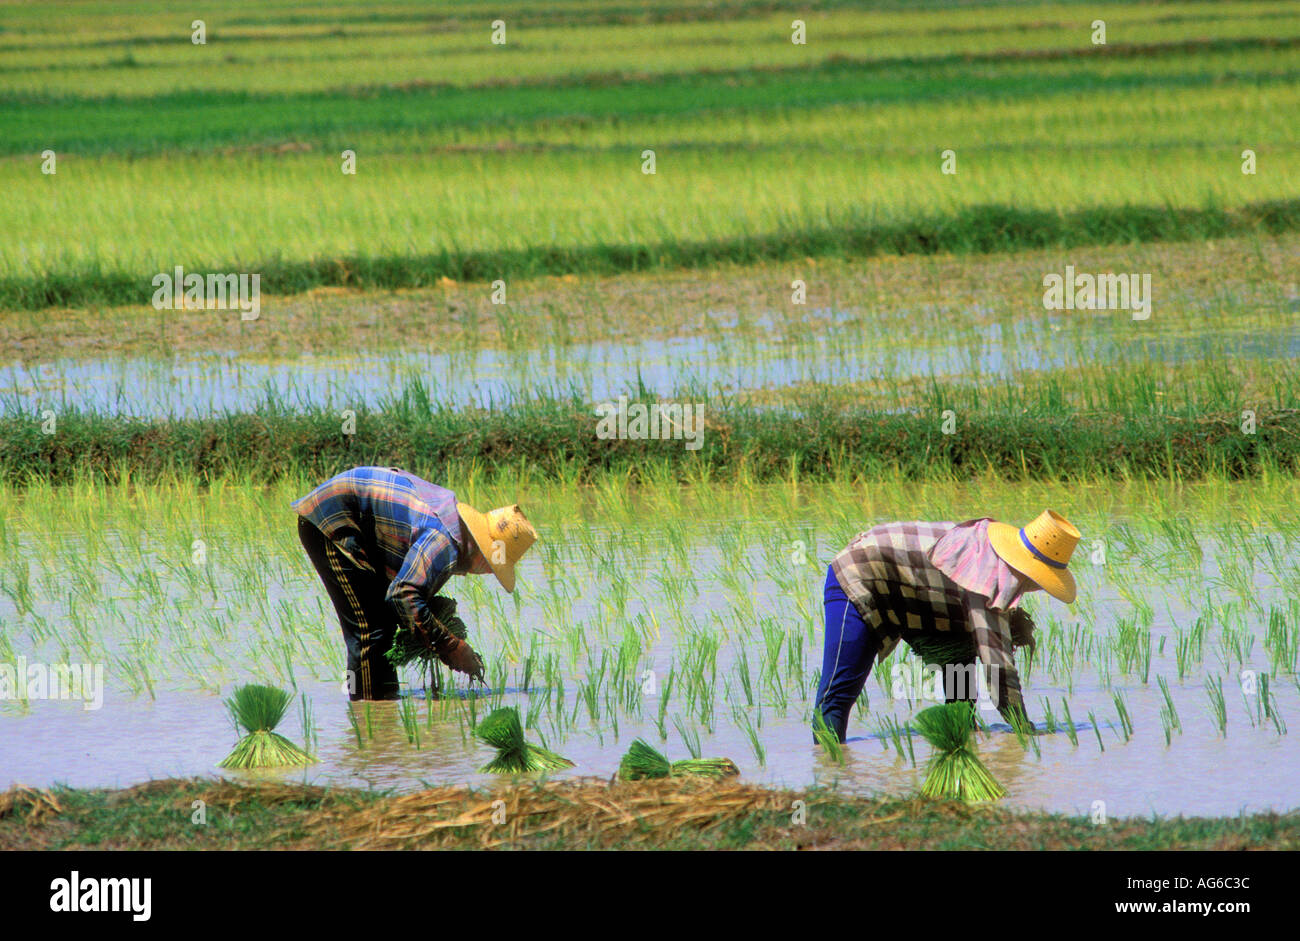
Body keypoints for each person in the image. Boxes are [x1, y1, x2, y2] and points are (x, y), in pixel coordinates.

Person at [812, 510, 1080, 743]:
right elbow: (998, 667)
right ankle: (829, 774)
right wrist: (1023, 727)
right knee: (840, 689)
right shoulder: (989, 578)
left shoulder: (994, 561)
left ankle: (961, 738)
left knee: (961, 689)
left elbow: (972, 659)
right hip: (858, 573)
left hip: (912, 593)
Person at [293, 466, 537, 700]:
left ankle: (382, 705)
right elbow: (402, 594)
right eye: (492, 568)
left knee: (383, 625)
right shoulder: (444, 542)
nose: (485, 573)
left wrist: (433, 624)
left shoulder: (454, 531)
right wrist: (451, 646)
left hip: (358, 520)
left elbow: (404, 593)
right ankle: (368, 715)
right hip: (331, 518)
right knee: (370, 630)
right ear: (483, 556)